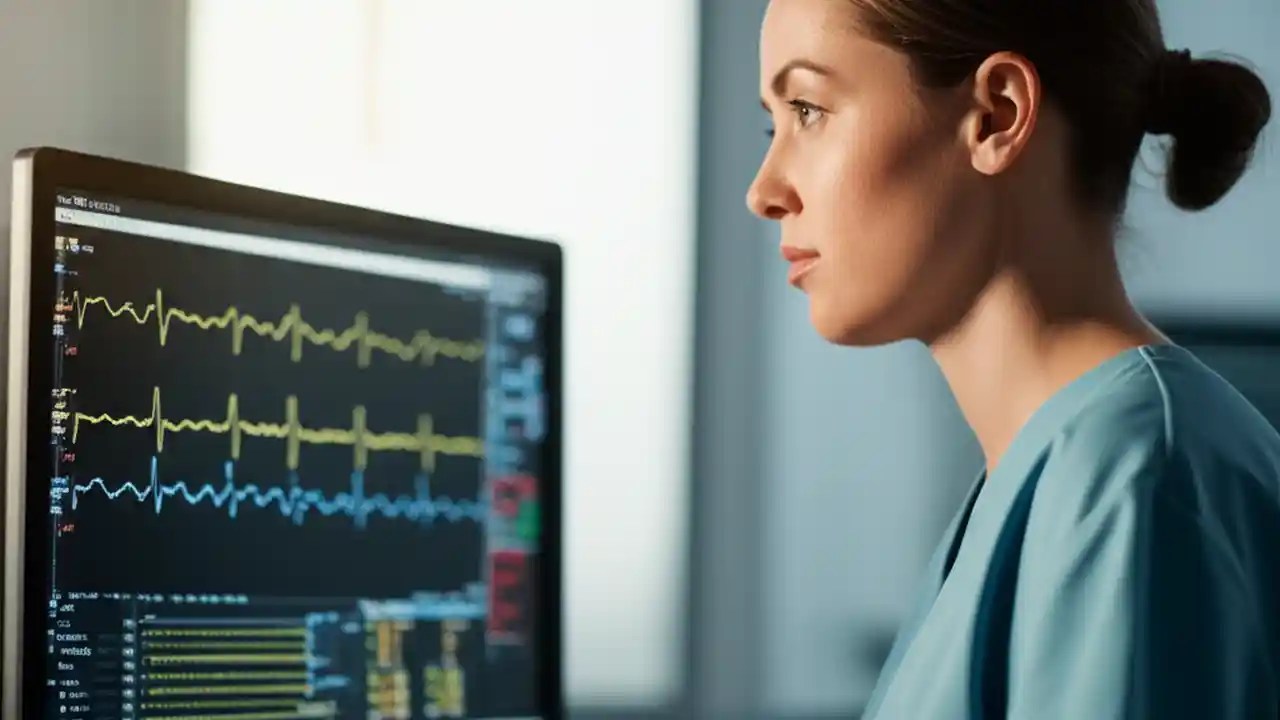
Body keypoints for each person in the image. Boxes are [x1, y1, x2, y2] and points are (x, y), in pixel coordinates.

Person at [748, 0, 1277, 717]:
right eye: (771, 124)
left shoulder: (1136, 475)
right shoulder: (1063, 469)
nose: (764, 191)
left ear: (997, 115)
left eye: (808, 111)